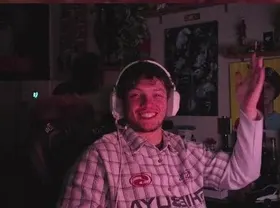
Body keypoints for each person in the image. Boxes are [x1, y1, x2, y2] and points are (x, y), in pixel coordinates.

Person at [59, 55, 266, 207]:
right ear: (120, 105)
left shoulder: (189, 152)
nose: (147, 104)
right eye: (136, 95)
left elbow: (242, 174)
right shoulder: (99, 157)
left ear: (171, 103)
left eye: (157, 95)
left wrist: (248, 109)